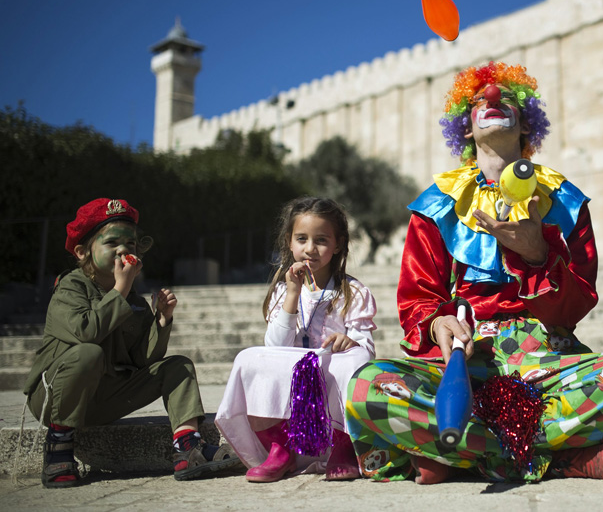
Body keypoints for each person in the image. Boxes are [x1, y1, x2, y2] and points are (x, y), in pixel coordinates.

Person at [345, 62, 603, 484]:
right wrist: (438, 320)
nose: (493, 98)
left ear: (526, 124)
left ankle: (461, 454)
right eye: (480, 100)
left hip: (548, 358)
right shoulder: (439, 202)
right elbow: (417, 296)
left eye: (508, 99)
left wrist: (537, 256)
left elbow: (576, 304)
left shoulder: (563, 199)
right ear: (466, 127)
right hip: (465, 354)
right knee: (365, 387)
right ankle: (568, 458)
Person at [23, 198, 240, 488]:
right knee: (87, 353)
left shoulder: (132, 299)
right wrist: (121, 288)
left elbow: (142, 359)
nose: (124, 250)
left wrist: (161, 320)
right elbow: (85, 332)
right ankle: (58, 447)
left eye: (131, 243)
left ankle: (188, 447)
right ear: (82, 251)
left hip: (104, 399)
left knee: (178, 366)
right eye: (112, 243)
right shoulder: (71, 287)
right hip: (55, 398)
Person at [215, 197, 376, 482]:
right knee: (248, 360)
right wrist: (292, 293)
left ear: (338, 244)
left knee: (358, 361)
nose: (310, 249)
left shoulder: (354, 292)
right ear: (290, 242)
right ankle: (280, 448)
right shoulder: (283, 290)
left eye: (321, 240)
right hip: (293, 373)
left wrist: (349, 342)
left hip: (331, 370)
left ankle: (343, 445)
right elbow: (275, 348)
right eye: (302, 239)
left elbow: (366, 349)